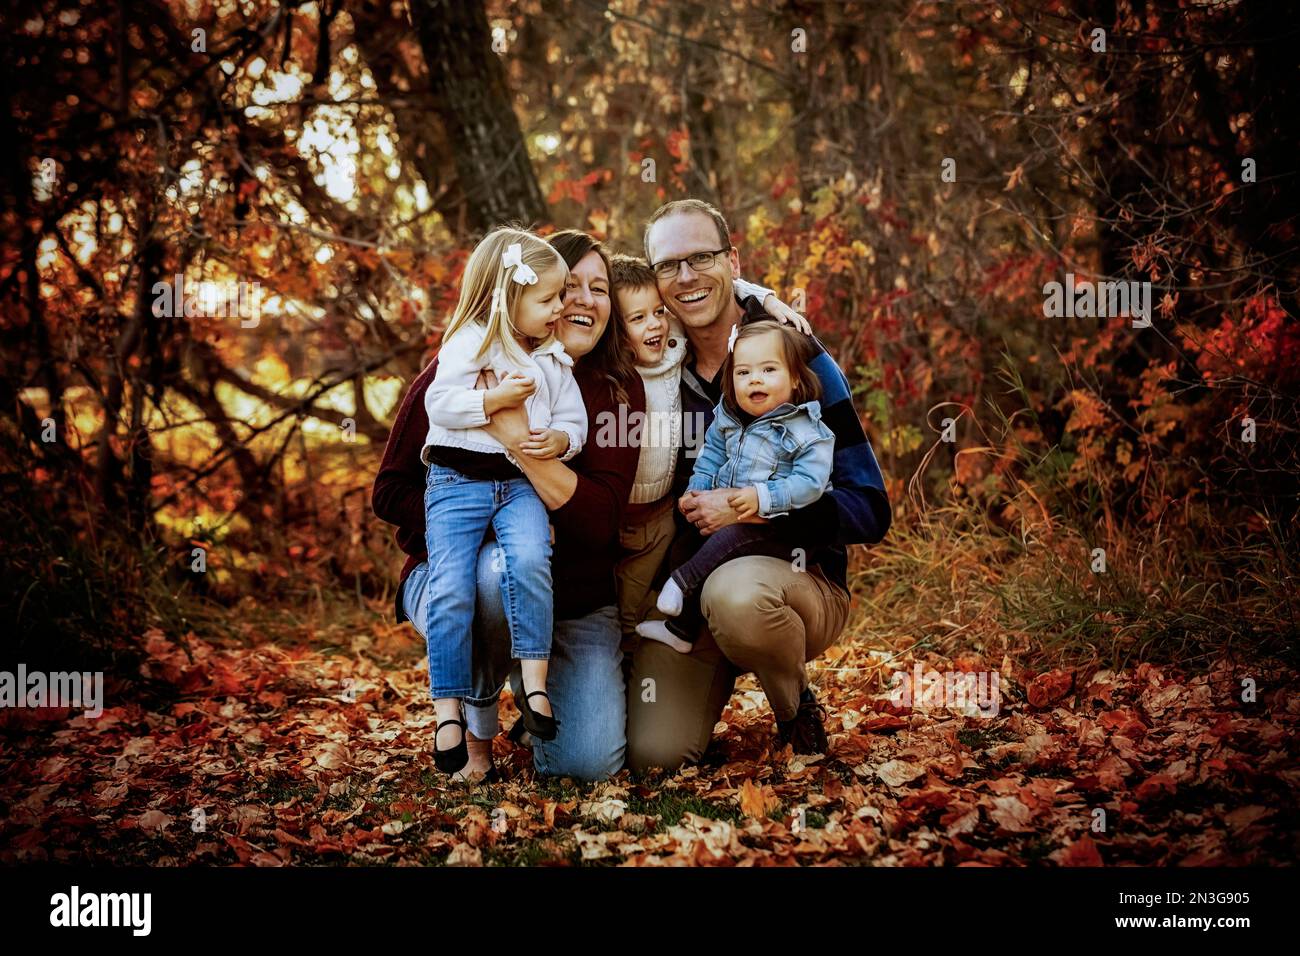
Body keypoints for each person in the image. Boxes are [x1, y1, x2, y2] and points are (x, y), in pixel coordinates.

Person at [625, 199, 891, 771]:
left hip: (792, 580)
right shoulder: (651, 364)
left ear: (732, 260)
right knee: (655, 754)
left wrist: (754, 508)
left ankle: (795, 711)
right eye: (670, 265)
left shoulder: (797, 360)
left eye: (702, 258)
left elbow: (870, 509)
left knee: (738, 593)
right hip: (687, 596)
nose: (687, 277)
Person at [374, 229, 642, 783]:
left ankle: (531, 682)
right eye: (567, 287)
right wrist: (467, 523)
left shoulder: (617, 390)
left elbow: (598, 522)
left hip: (576, 604)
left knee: (585, 765)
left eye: (600, 288)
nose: (580, 301)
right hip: (462, 575)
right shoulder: (470, 363)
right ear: (524, 294)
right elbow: (391, 491)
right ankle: (475, 732)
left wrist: (519, 443)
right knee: (497, 574)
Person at [419, 227, 585, 773]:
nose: (562, 308)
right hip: (455, 481)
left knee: (533, 561)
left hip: (517, 483)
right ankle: (448, 712)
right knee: (452, 588)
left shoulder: (555, 358)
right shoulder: (470, 342)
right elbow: (439, 405)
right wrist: (493, 401)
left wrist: (559, 440)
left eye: (562, 297)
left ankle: (535, 689)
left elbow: (573, 421)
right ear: (509, 298)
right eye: (549, 298)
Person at [606, 253, 809, 654]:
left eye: (658, 313)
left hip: (659, 518)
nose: (654, 323)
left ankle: (646, 653)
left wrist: (767, 300)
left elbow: (711, 293)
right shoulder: (605, 365)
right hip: (612, 519)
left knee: (632, 611)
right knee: (609, 605)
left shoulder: (673, 344)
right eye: (637, 319)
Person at [637, 320, 835, 654]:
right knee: (685, 541)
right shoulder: (728, 417)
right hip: (729, 518)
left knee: (728, 539)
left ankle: (681, 584)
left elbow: (810, 483)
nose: (754, 379)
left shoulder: (806, 429)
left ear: (795, 379)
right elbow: (711, 455)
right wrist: (696, 490)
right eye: (743, 373)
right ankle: (681, 630)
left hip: (777, 529)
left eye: (769, 370)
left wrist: (762, 498)